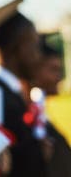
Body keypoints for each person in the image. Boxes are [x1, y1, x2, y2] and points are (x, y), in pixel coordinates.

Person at [0, 10, 48, 177]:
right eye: (34, 45)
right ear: (16, 48)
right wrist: (38, 153)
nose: (39, 56)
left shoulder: (11, 92)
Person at [32, 35, 71, 177]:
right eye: (53, 69)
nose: (59, 77)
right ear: (35, 68)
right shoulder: (26, 114)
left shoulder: (41, 111)